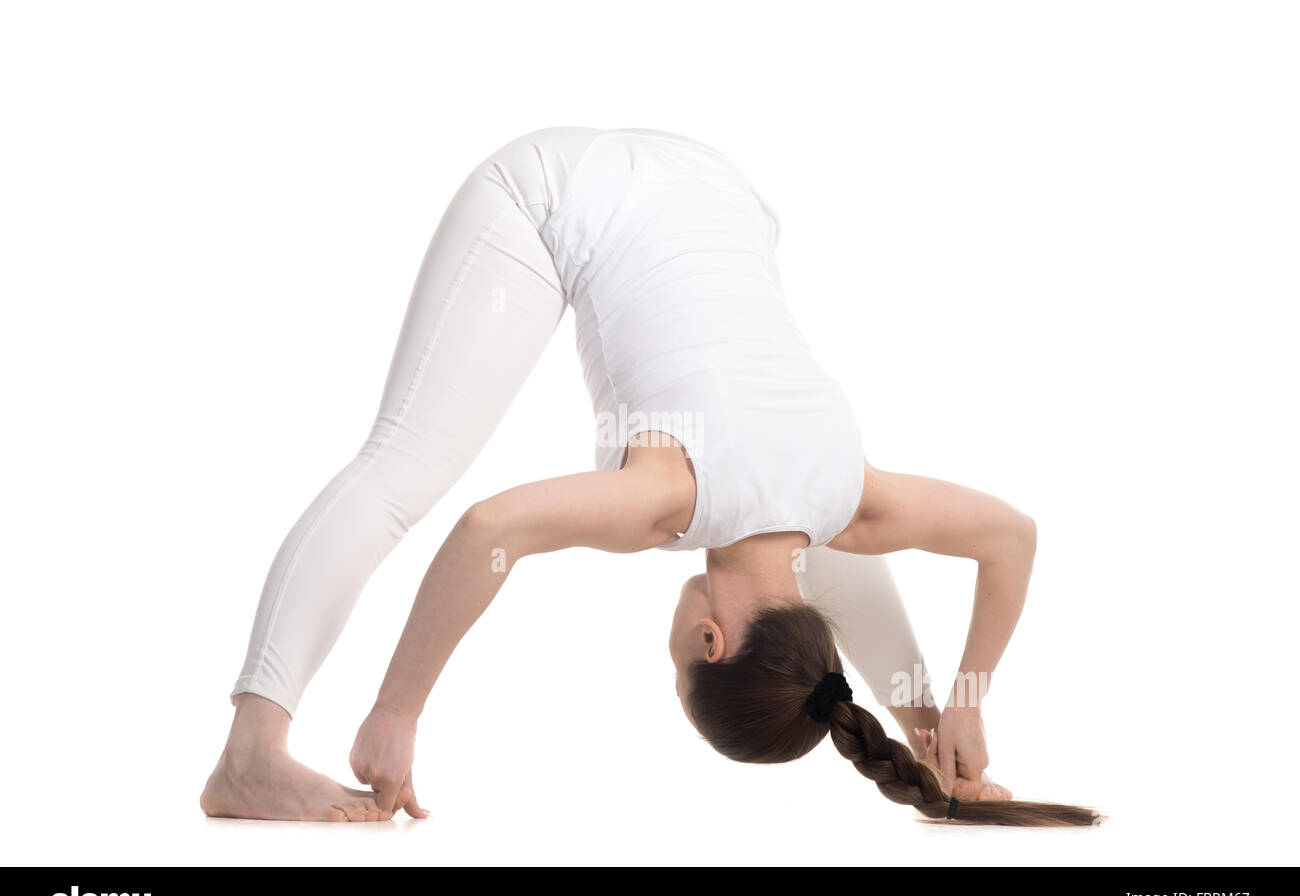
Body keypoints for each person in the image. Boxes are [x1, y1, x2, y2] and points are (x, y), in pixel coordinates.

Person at [200, 126, 1098, 827]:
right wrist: (399, 711)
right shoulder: (667, 502)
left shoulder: (849, 500)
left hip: (719, 188)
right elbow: (487, 531)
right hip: (554, 188)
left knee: (797, 536)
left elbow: (1009, 538)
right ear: (708, 644)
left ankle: (254, 746)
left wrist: (949, 715)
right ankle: (249, 753)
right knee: (399, 472)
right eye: (677, 674)